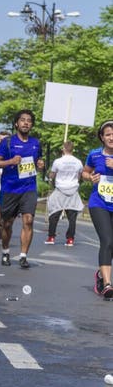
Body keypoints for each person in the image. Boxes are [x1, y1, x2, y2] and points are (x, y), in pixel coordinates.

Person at [0, 110, 44, 269]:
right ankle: (5, 251)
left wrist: (40, 165)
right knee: (7, 223)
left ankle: (23, 256)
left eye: (29, 120)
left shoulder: (36, 143)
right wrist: (10, 161)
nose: (26, 123)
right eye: (22, 120)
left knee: (28, 220)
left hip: (29, 188)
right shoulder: (7, 142)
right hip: (10, 188)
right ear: (16, 123)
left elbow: (38, 161)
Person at [82, 121, 113, 299]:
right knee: (107, 240)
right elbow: (85, 172)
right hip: (99, 203)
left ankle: (101, 274)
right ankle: (108, 284)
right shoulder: (94, 155)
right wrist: (90, 177)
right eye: (108, 134)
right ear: (102, 137)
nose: (112, 137)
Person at [45, 140, 83, 245]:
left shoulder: (58, 161)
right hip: (73, 190)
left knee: (54, 214)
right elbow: (79, 176)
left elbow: (52, 175)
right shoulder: (78, 162)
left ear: (63, 148)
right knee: (72, 217)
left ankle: (51, 237)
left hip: (60, 189)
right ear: (73, 149)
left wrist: (49, 178)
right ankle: (70, 239)